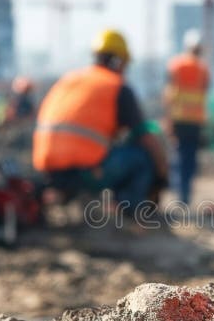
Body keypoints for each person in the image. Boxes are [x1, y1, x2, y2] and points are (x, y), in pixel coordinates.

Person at [33, 29, 167, 215]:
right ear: (119, 61)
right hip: (84, 171)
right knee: (142, 159)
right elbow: (145, 137)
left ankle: (66, 196)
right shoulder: (116, 87)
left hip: (48, 168)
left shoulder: (69, 79)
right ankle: (125, 213)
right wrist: (162, 171)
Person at [164, 29, 209, 205]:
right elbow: (204, 92)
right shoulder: (203, 69)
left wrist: (168, 118)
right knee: (189, 157)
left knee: (179, 155)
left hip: (178, 119)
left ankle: (180, 194)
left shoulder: (175, 65)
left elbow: (168, 94)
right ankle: (185, 194)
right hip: (195, 121)